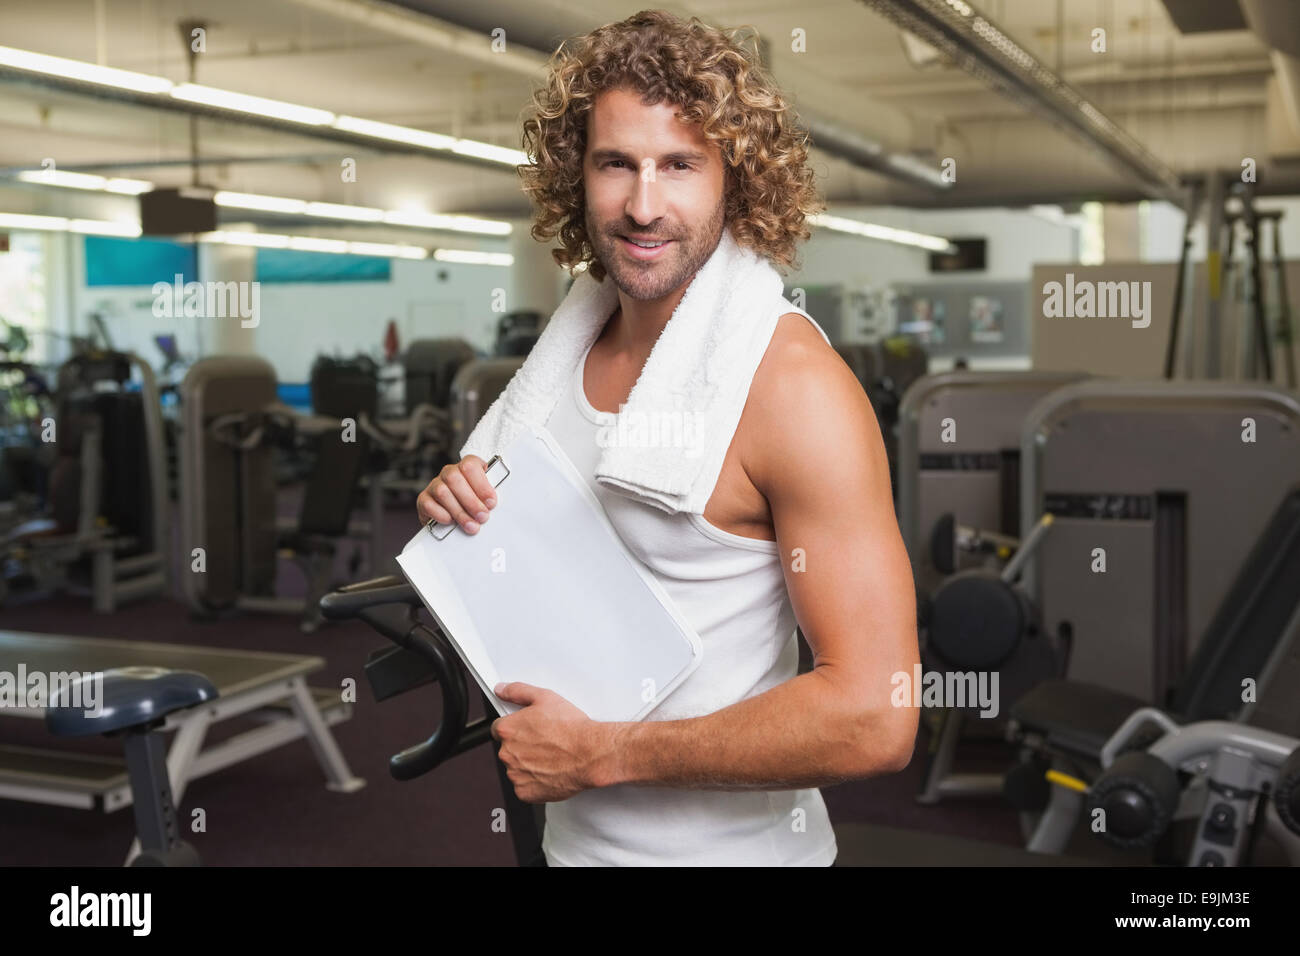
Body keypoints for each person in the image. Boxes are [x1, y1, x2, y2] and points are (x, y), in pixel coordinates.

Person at [417, 9, 919, 866]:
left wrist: (606, 754)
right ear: (577, 175)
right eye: (616, 164)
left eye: (680, 164)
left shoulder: (792, 387)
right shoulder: (556, 373)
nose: (643, 205)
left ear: (738, 177)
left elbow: (877, 713)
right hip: (574, 851)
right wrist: (458, 508)